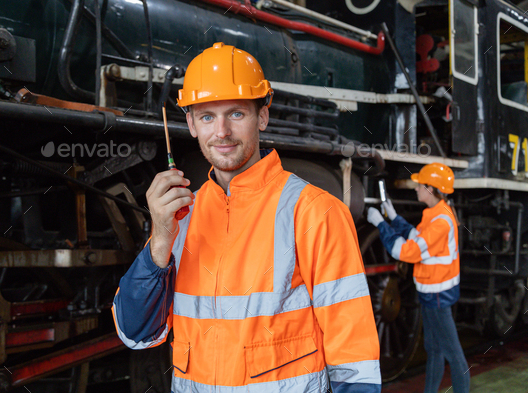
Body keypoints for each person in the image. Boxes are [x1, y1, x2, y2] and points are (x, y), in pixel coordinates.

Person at [112, 42, 381, 393]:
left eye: (236, 114)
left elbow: (354, 357)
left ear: (263, 117)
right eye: (207, 116)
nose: (221, 131)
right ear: (191, 123)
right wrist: (160, 239)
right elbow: (136, 333)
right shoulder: (180, 217)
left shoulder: (315, 211)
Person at [367, 163, 469, 393]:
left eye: (420, 185)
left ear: (431, 189)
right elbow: (416, 237)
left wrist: (380, 223)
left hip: (438, 295)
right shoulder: (435, 214)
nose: (415, 189)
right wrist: (394, 218)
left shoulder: (440, 222)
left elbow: (406, 252)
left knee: (454, 355)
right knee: (434, 349)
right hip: (431, 293)